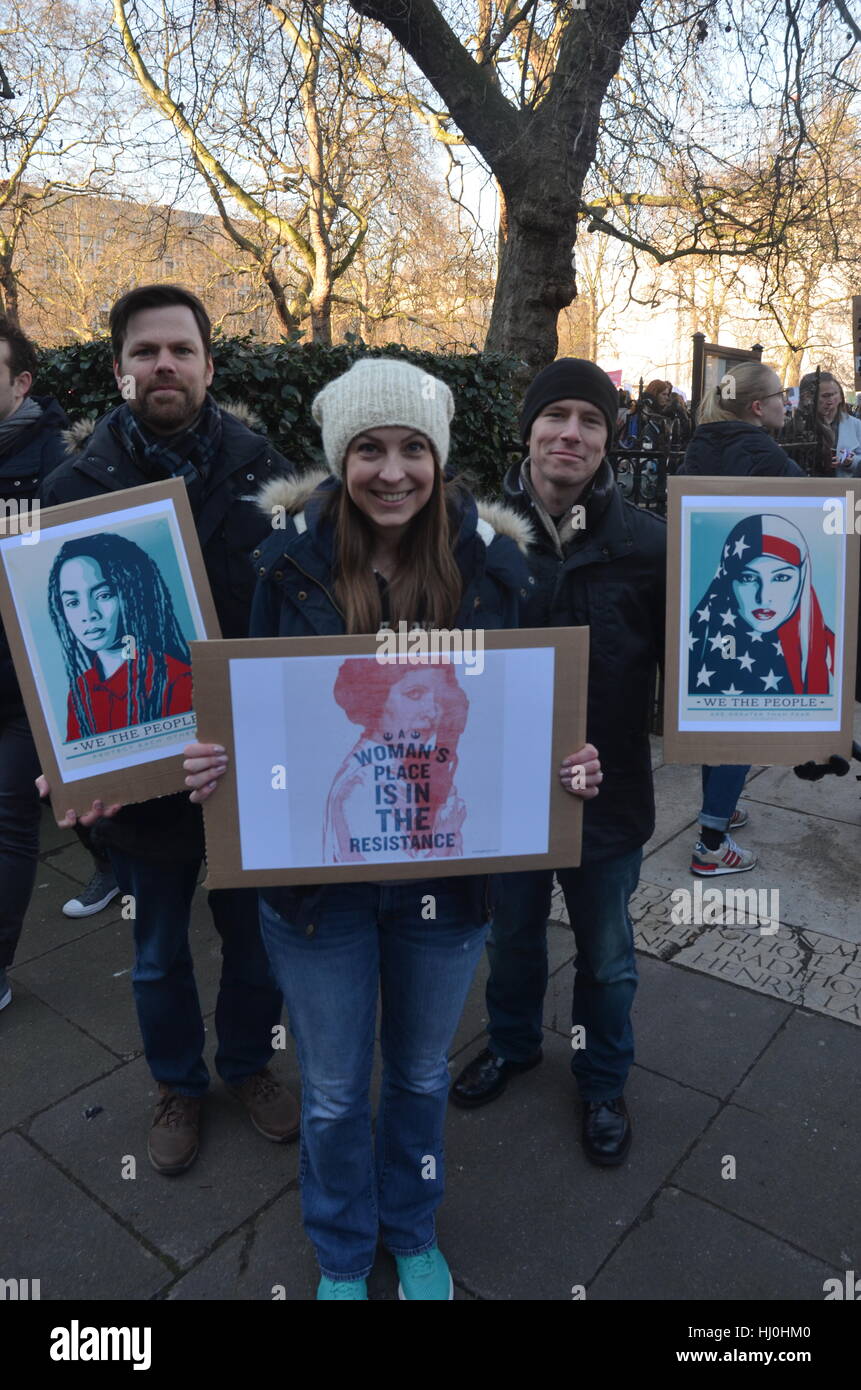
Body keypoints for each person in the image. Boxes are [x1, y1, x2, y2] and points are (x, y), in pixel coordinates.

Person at [183, 356, 600, 1299]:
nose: (392, 470)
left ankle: (409, 1226)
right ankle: (339, 1248)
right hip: (316, 888)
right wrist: (216, 762)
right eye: (368, 449)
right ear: (340, 458)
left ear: (440, 457)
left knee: (415, 1078)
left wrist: (567, 767)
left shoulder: (496, 569)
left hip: (446, 890)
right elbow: (250, 711)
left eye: (413, 448)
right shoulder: (280, 559)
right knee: (331, 1092)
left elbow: (524, 725)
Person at [39, 284, 299, 1173]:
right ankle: (177, 1085)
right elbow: (41, 643)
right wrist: (56, 755)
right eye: (145, 353)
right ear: (118, 372)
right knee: (154, 955)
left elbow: (296, 606)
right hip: (140, 772)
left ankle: (248, 1066)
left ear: (208, 367)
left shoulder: (266, 469)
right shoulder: (72, 488)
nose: (163, 366)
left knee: (254, 943)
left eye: (180, 351)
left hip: (242, 762)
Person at [450, 358, 665, 1170]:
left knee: (607, 956)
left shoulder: (647, 542)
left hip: (607, 797)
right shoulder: (469, 533)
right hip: (501, 790)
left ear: (608, 439)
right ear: (529, 428)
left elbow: (693, 667)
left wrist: (787, 724)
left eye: (590, 420)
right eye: (556, 416)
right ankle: (511, 1045)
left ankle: (603, 1079)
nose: (570, 433)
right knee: (509, 937)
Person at [679, 361, 804, 877]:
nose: (785, 404)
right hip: (756, 610)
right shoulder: (765, 454)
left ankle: (721, 809)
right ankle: (712, 844)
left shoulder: (700, 444)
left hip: (707, 603)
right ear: (758, 406)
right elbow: (807, 516)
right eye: (780, 396)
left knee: (717, 708)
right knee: (743, 718)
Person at [0, 317, 71, 1010]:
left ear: (21, 382)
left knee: (13, 820)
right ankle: (120, 871)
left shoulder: (57, 462)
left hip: (24, 678)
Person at [48, 533, 193, 740]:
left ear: (133, 595)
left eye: (103, 595)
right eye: (73, 602)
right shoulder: (81, 691)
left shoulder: (178, 680)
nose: (89, 614)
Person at [323, 660, 467, 863]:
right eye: (415, 694)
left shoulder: (405, 772)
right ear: (376, 700)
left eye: (440, 698)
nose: (433, 713)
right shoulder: (362, 785)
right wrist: (445, 837)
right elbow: (399, 877)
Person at [688, 514, 835, 700]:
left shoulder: (832, 655)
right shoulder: (701, 643)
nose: (764, 598)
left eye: (781, 577)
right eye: (748, 578)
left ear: (802, 578)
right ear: (728, 579)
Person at [798, 370, 861, 477]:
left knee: (850, 495)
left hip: (848, 490)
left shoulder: (856, 425)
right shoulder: (801, 426)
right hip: (815, 490)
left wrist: (851, 461)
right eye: (825, 396)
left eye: (834, 394)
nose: (831, 400)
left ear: (841, 396)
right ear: (809, 398)